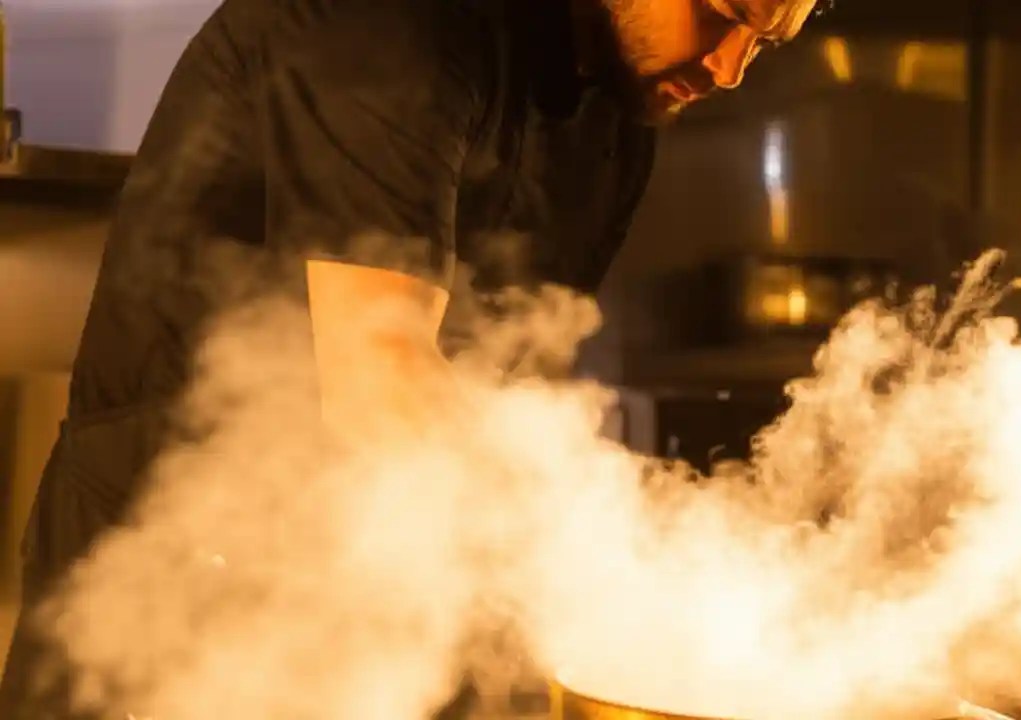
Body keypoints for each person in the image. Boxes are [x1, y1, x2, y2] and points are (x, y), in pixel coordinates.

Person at [0, 0, 819, 715]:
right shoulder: (396, 19)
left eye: (766, 41)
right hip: (164, 572)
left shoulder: (616, 116)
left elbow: (506, 390)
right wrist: (608, 580)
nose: (731, 68)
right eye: (722, 15)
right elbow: (378, 385)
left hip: (361, 602)